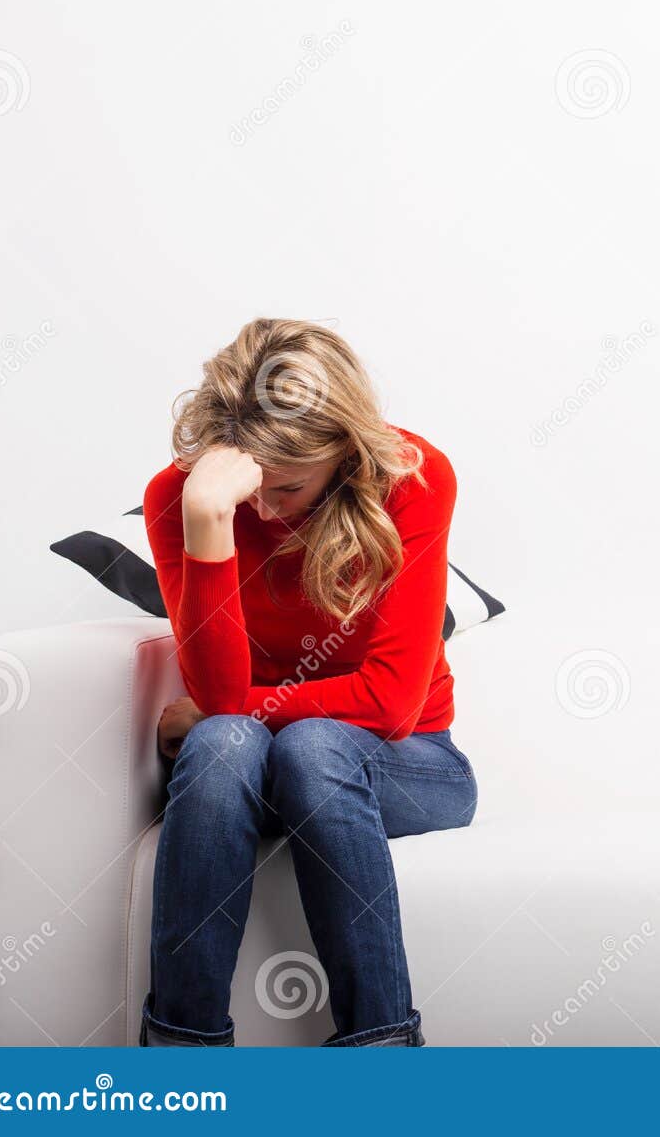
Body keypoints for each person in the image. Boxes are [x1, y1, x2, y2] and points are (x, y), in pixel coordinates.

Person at [139, 318, 475, 1047]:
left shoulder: (415, 478)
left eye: (286, 486)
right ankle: (181, 1057)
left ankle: (382, 1056)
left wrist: (231, 715)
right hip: (251, 768)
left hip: (413, 761)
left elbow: (389, 702)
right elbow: (224, 703)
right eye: (246, 488)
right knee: (227, 743)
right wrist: (206, 519)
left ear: (344, 453)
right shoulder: (186, 496)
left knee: (310, 747)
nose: (262, 508)